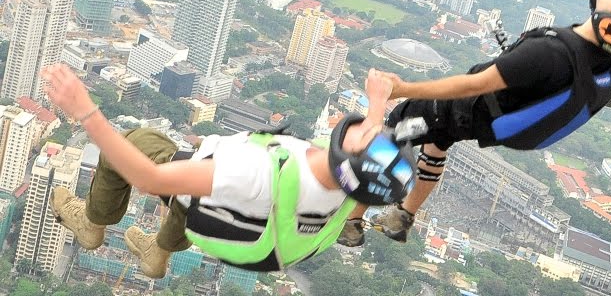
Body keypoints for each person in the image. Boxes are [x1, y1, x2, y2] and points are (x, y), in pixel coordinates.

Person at [338, 0, 611, 246]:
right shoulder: (606, 65)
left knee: (393, 134)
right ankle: (404, 216)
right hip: (485, 121)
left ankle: (352, 221)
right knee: (438, 144)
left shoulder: (548, 53)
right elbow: (607, 5)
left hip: (463, 109)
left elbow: (472, 85)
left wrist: (400, 90)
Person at [44, 65, 415, 278]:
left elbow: (147, 179)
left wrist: (85, 110)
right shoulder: (346, 192)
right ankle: (158, 252)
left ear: (348, 156)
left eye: (372, 132)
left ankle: (92, 224)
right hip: (241, 220)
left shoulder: (253, 171)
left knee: (133, 144)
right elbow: (368, 158)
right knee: (188, 206)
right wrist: (379, 101)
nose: (375, 126)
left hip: (210, 187)